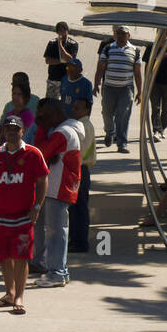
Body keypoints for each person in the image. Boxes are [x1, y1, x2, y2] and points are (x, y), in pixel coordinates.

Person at [0, 114, 49, 315]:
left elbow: (43, 180)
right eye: (8, 129)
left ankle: (19, 296)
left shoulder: (33, 154)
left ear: (22, 131)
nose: (12, 132)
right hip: (0, 219)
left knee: (21, 257)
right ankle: (9, 293)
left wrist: (37, 207)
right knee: (3, 257)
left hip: (23, 219)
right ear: (3, 132)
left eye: (16, 129)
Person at [32, 99, 83, 287]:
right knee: (56, 231)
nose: (41, 118)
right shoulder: (63, 131)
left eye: (44, 115)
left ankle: (57, 273)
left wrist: (40, 128)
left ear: (54, 113)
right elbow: (47, 154)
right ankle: (59, 270)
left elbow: (39, 153)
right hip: (59, 186)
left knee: (55, 232)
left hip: (58, 187)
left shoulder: (62, 132)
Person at [94, 25, 143, 152]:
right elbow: (100, 67)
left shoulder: (135, 51)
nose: (121, 36)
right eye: (119, 33)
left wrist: (140, 92)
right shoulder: (108, 48)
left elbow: (137, 73)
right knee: (107, 113)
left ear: (128, 35)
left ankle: (122, 143)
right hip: (109, 87)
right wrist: (96, 84)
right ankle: (110, 132)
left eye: (123, 33)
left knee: (123, 115)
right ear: (115, 35)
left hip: (126, 89)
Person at [142, 30, 167, 141]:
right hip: (154, 84)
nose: (161, 36)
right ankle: (156, 130)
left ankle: (162, 129)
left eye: (163, 33)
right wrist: (146, 81)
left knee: (166, 109)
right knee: (155, 108)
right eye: (159, 33)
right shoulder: (151, 47)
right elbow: (147, 66)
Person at [68, 97, 96, 253]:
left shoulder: (85, 126)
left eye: (77, 108)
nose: (73, 110)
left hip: (80, 169)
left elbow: (80, 151)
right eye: (73, 107)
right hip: (78, 169)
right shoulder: (80, 125)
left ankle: (80, 241)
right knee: (75, 207)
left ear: (86, 111)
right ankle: (75, 239)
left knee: (79, 207)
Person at [43, 21, 79, 102]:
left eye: (64, 30)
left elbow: (70, 59)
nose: (62, 33)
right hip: (53, 78)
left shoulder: (73, 44)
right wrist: (62, 61)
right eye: (59, 30)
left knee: (66, 104)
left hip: (67, 79)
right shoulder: (52, 43)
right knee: (51, 104)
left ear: (67, 30)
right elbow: (48, 60)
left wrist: (60, 45)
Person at [1, 74, 38, 145]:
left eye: (19, 94)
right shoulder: (10, 113)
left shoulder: (28, 115)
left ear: (26, 97)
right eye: (14, 94)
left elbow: (25, 138)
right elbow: (1, 135)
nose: (15, 97)